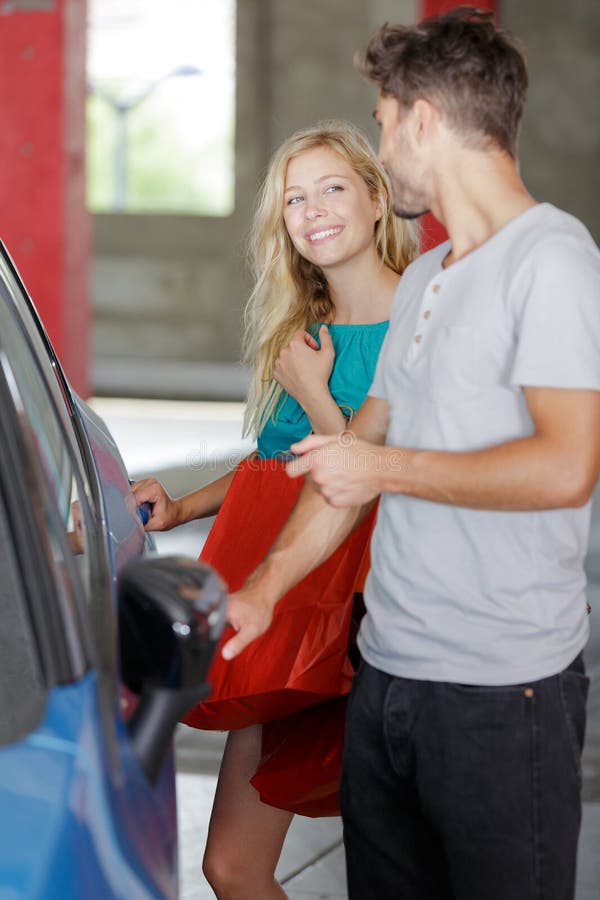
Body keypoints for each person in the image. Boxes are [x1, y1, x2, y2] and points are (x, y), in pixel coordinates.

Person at [221, 9, 600, 900]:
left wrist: (378, 469)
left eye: (385, 125)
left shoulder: (553, 262)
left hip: (502, 696)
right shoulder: (429, 278)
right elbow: (358, 456)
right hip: (388, 673)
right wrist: (264, 592)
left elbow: (567, 466)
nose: (382, 149)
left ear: (422, 119)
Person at [133, 119, 418, 899]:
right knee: (230, 865)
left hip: (370, 628)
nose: (313, 210)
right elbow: (274, 459)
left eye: (331, 188)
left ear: (374, 195)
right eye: (295, 198)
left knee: (398, 868)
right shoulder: (302, 329)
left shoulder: (424, 321)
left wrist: (318, 394)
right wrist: (183, 503)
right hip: (276, 615)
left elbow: (390, 482)